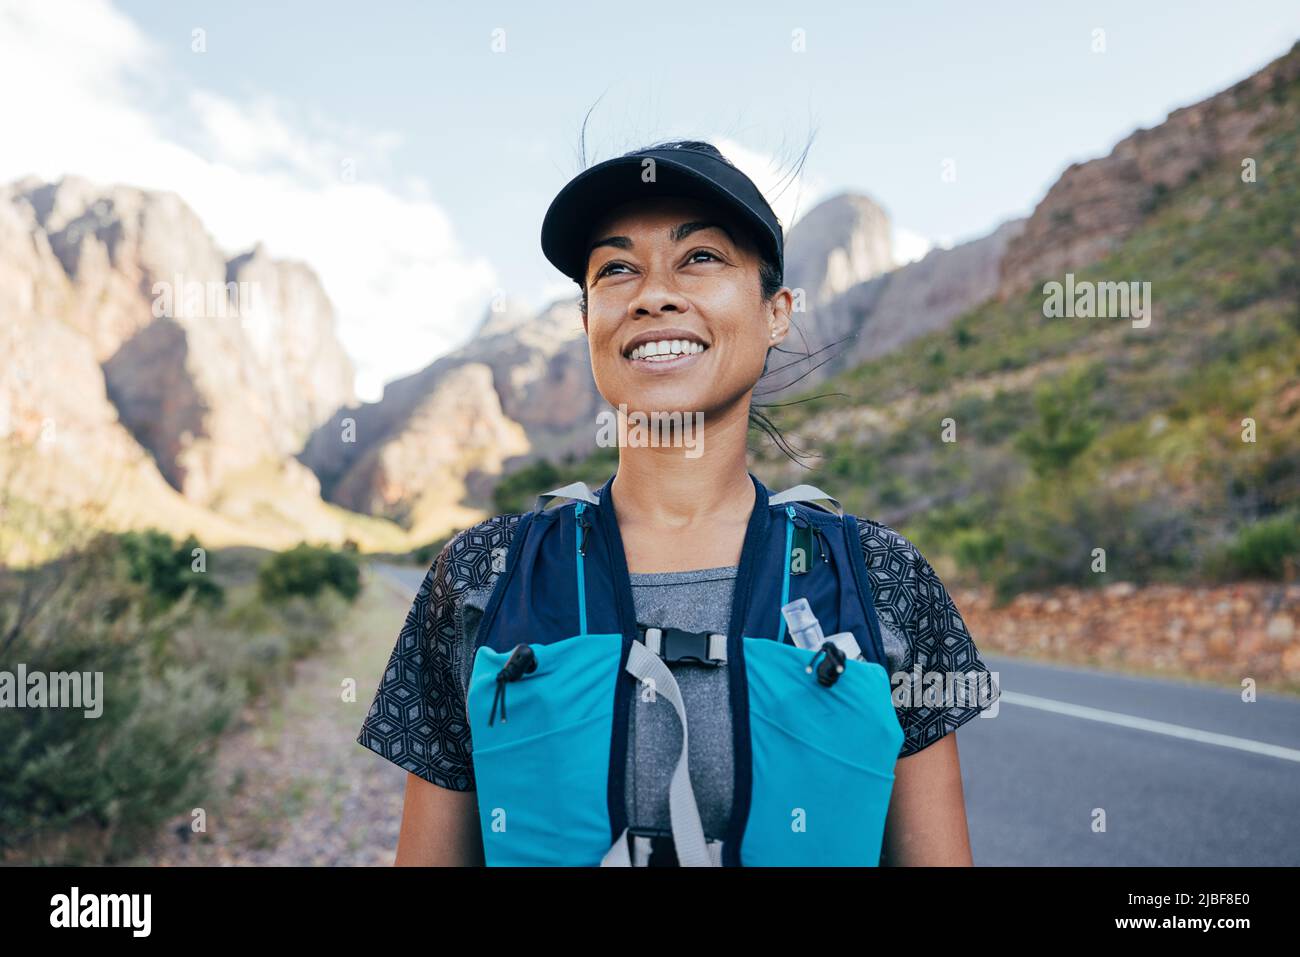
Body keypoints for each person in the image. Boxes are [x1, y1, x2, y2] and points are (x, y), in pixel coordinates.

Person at [356, 139, 1000, 866]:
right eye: (617, 268)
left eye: (700, 258)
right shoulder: (480, 575)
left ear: (777, 312)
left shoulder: (882, 576)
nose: (652, 293)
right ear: (589, 320)